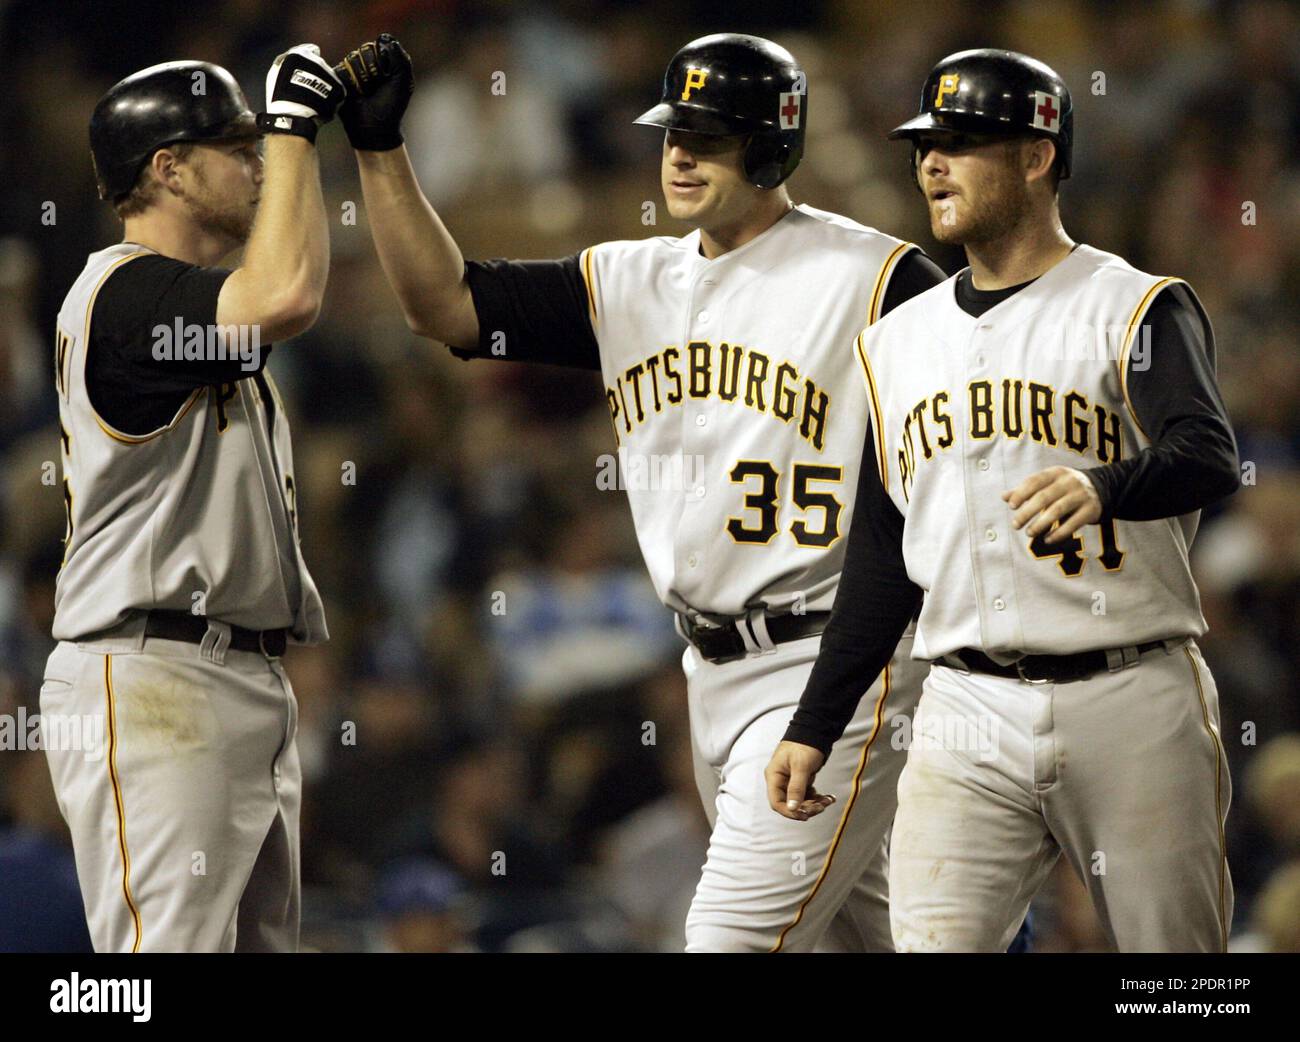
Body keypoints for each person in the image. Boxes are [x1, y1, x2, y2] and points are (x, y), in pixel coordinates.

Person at [334, 31, 945, 951]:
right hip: (707, 673)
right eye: (672, 133)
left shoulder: (877, 278)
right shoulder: (631, 279)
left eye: (709, 135)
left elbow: (963, 444)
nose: (680, 154)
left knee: (726, 940)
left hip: (836, 662)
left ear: (773, 145)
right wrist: (381, 154)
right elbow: (445, 305)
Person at [766, 49, 1239, 952]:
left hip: (1130, 690)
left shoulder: (1132, 306)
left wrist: (1105, 486)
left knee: (1178, 981)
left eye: (961, 142)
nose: (931, 163)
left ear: (1036, 155)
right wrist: (814, 722)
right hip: (964, 707)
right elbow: (880, 555)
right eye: (924, 146)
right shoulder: (897, 343)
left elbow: (1209, 455)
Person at [40, 47, 342, 952]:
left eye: (260, 146)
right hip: (153, 673)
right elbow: (285, 293)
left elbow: (298, 290)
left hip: (228, 677)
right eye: (236, 146)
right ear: (167, 168)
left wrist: (322, 143)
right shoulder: (123, 296)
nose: (258, 165)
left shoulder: (188, 308)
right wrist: (293, 127)